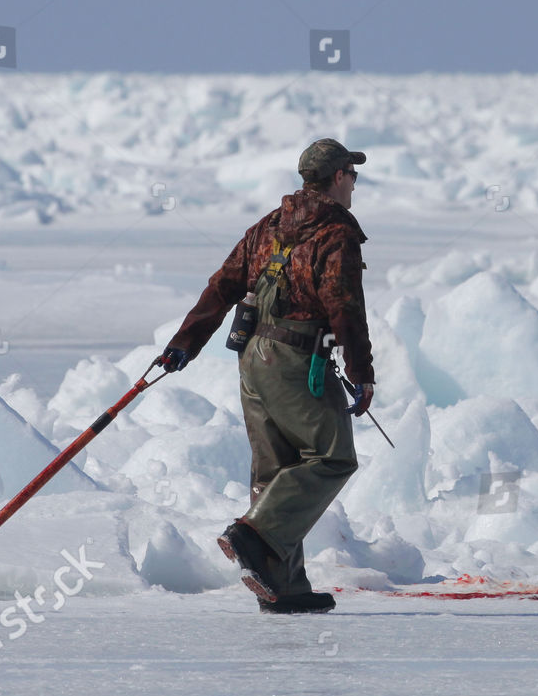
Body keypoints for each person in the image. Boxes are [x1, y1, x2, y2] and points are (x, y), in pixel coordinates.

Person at [154, 138, 375, 614]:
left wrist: (184, 343)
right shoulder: (334, 232)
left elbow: (223, 286)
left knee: (276, 470)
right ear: (338, 176)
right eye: (352, 174)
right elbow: (344, 307)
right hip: (298, 358)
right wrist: (361, 372)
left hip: (253, 358)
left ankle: (283, 586)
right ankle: (253, 534)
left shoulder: (268, 227)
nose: (355, 182)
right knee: (333, 458)